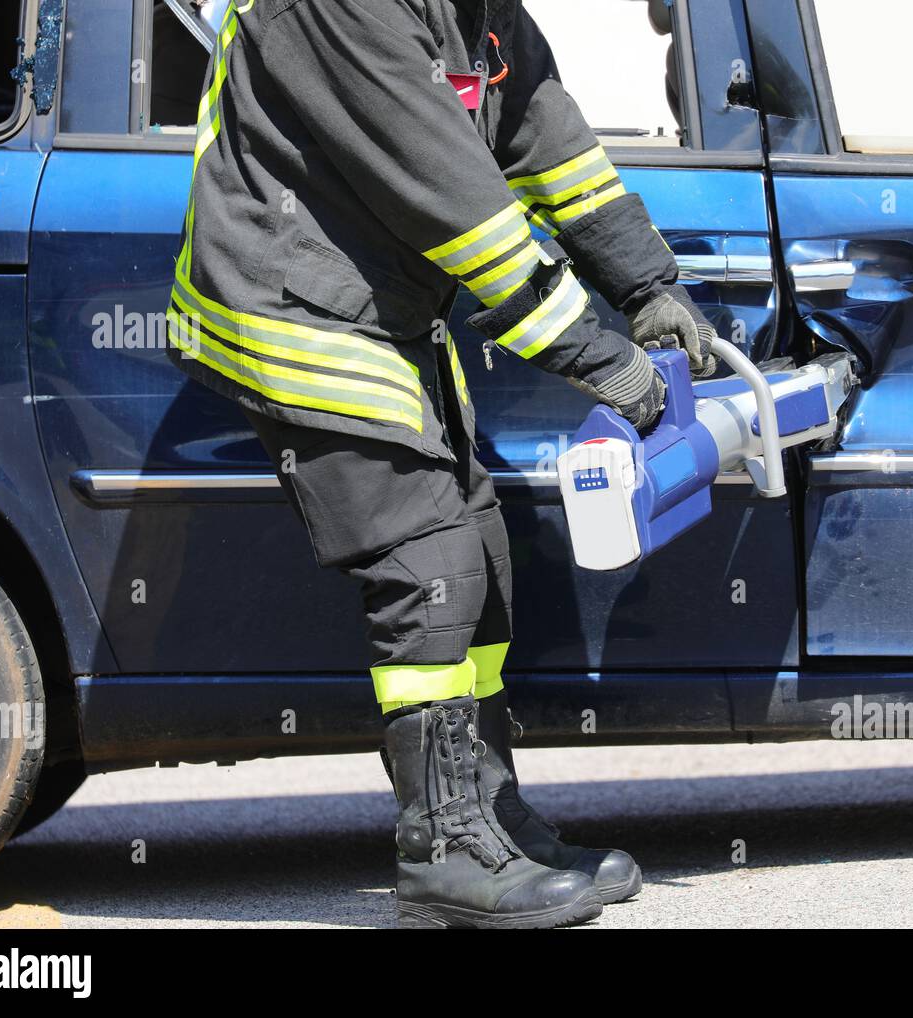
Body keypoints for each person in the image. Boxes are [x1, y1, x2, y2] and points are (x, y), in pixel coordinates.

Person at [165, 0, 718, 928]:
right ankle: (442, 854)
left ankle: (491, 821)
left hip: (379, 304)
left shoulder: (483, 8)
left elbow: (552, 146)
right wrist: (600, 357)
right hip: (290, 306)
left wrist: (647, 285)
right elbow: (461, 205)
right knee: (429, 567)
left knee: (485, 562)